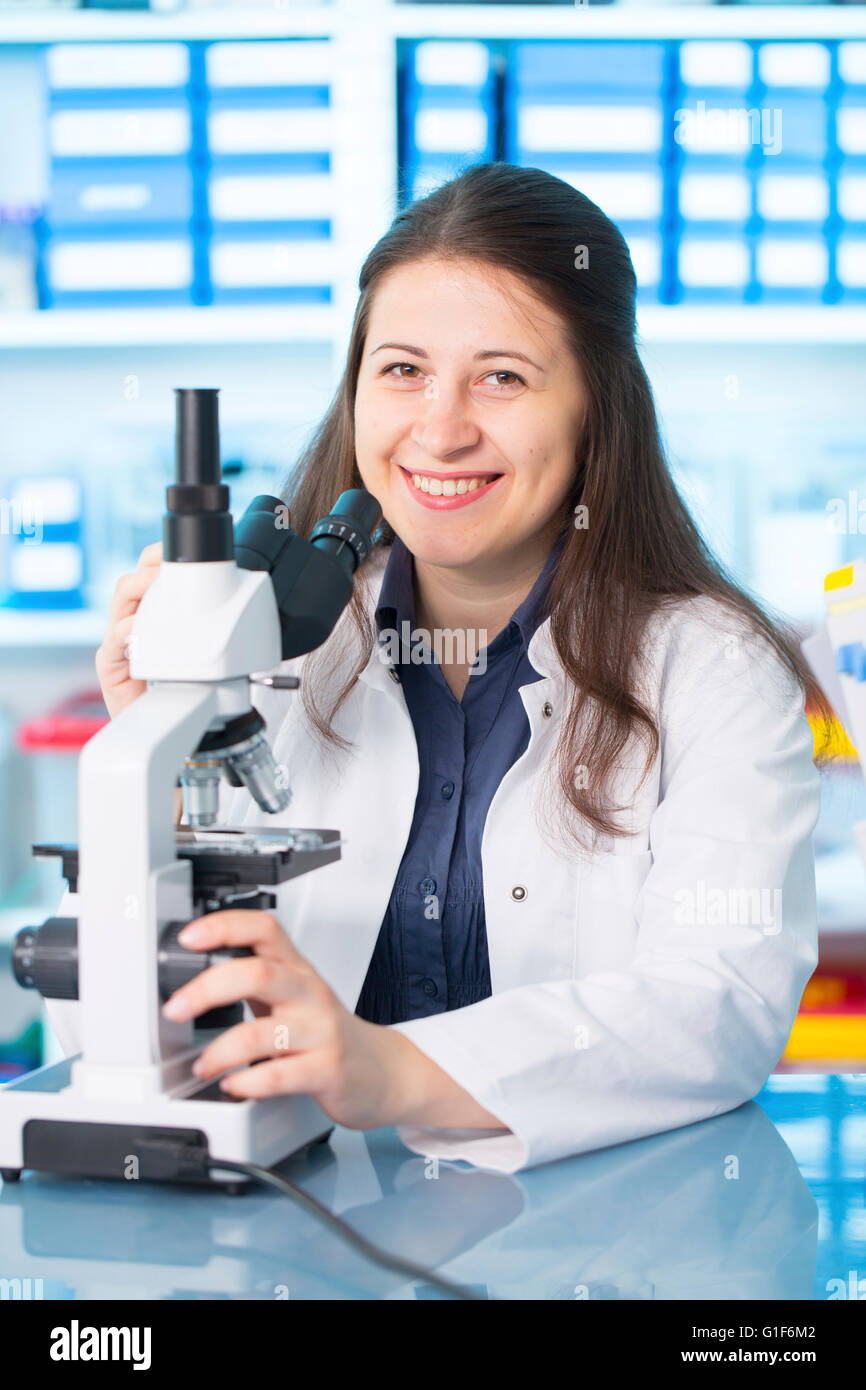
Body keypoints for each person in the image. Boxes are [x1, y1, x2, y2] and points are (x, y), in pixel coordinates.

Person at [92, 164, 831, 1173]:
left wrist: (384, 1067)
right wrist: (157, 740)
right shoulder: (264, 638)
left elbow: (718, 1003)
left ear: (593, 411)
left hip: (609, 1241)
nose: (438, 429)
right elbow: (190, 970)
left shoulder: (710, 668)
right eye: (401, 370)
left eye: (502, 376)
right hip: (301, 1219)